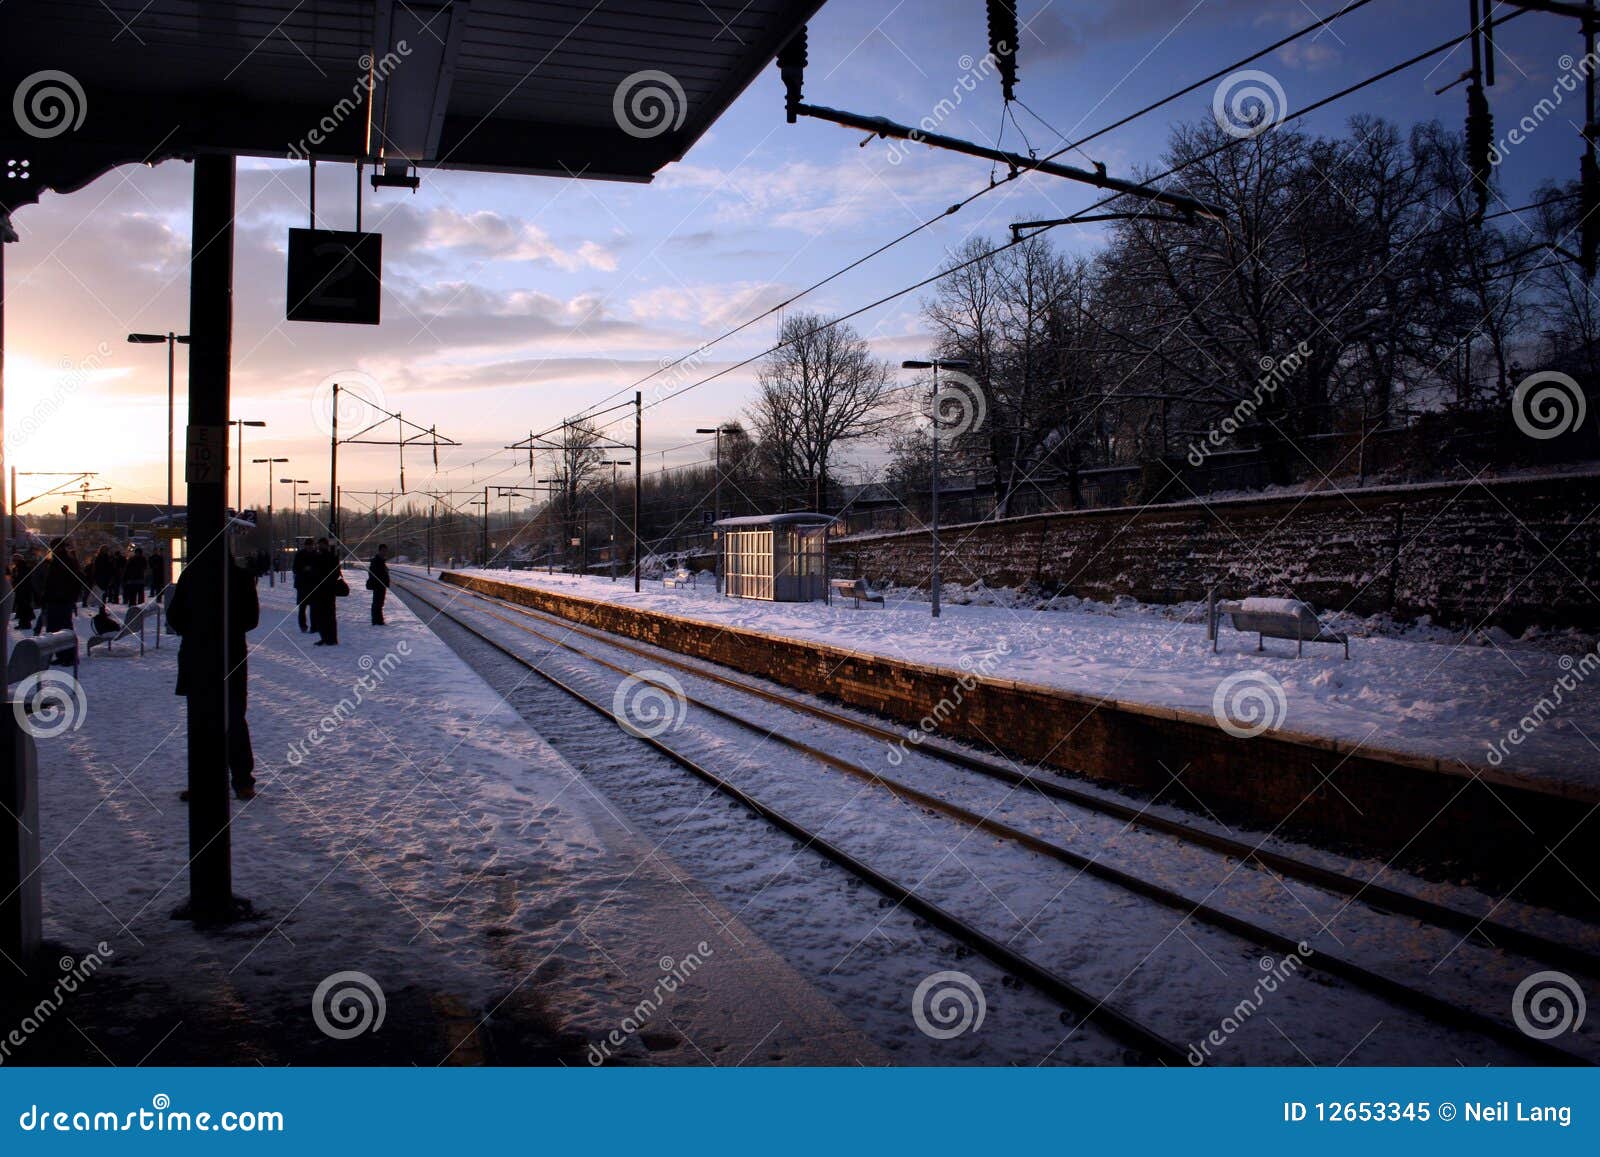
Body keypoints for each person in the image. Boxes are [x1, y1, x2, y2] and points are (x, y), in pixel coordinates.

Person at [168, 552, 260, 800]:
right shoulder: (242, 578)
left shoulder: (191, 576)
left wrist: (197, 628)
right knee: (234, 720)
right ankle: (242, 781)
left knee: (201, 722)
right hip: (231, 658)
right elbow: (252, 620)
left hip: (197, 658)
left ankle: (202, 782)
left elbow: (174, 617)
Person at [41, 539, 81, 663]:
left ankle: (67, 656)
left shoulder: (61, 562)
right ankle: (64, 655)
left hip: (59, 599)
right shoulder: (62, 561)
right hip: (60, 599)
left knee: (59, 628)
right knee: (61, 628)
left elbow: (55, 582)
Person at [308, 538, 344, 646]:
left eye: (320, 545)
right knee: (330, 615)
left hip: (321, 590)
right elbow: (336, 573)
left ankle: (325, 637)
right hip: (330, 590)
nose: (319, 547)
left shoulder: (317, 557)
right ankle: (331, 638)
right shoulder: (333, 557)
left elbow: (313, 573)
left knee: (322, 615)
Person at [367, 543, 391, 625]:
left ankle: (378, 620)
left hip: (381, 585)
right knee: (377, 603)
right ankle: (377, 621)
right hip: (378, 585)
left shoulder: (380, 560)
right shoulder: (377, 560)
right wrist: (384, 572)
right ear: (380, 550)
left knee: (379, 603)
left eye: (386, 551)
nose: (385, 552)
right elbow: (374, 573)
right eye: (383, 551)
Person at [292, 544, 314, 632]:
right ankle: (303, 626)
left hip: (311, 584)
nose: (310, 547)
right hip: (302, 584)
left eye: (311, 546)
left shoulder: (314, 554)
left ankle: (313, 626)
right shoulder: (300, 555)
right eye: (309, 546)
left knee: (312, 606)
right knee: (303, 606)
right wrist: (304, 569)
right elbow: (295, 569)